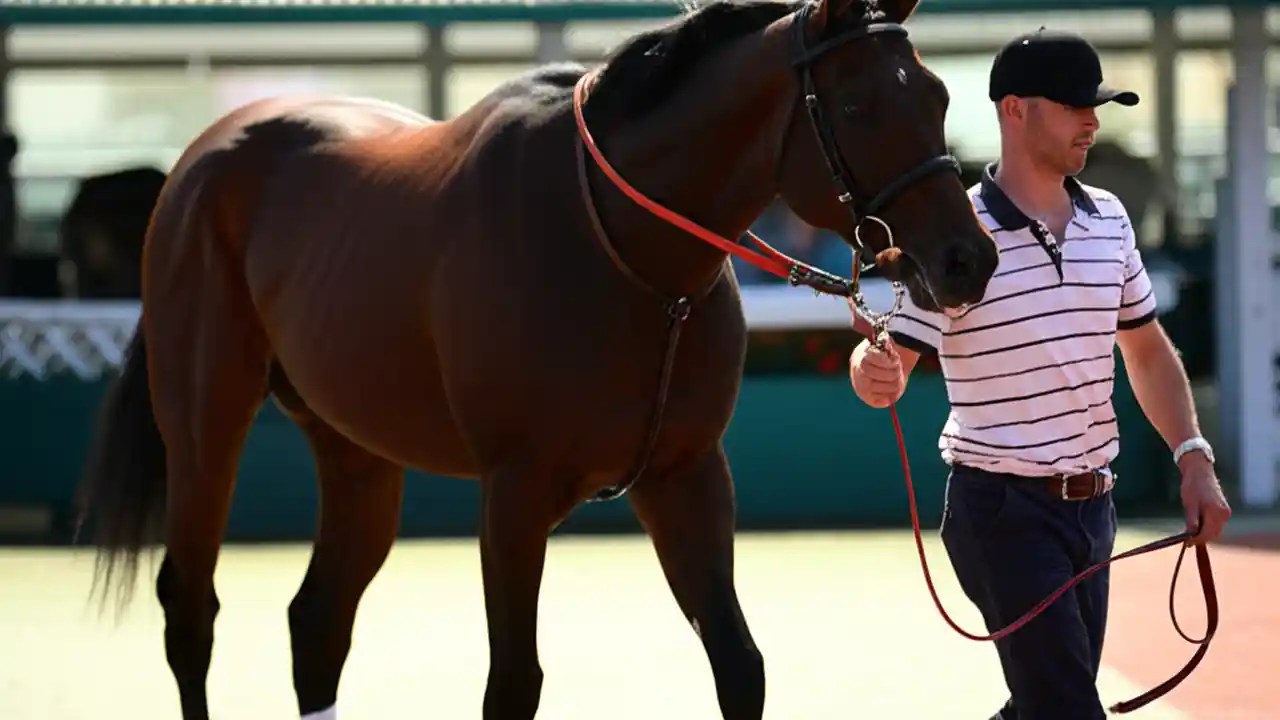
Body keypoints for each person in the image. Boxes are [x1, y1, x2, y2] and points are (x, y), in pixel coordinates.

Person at [847, 28, 1232, 720]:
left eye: (1098, 105)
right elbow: (891, 361)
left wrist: (1193, 457)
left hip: (1094, 512)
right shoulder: (953, 232)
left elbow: (1145, 351)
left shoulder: (1110, 220)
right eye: (1073, 105)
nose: (1093, 121)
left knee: (1043, 705)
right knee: (1064, 708)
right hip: (1000, 514)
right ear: (1014, 110)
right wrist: (871, 370)